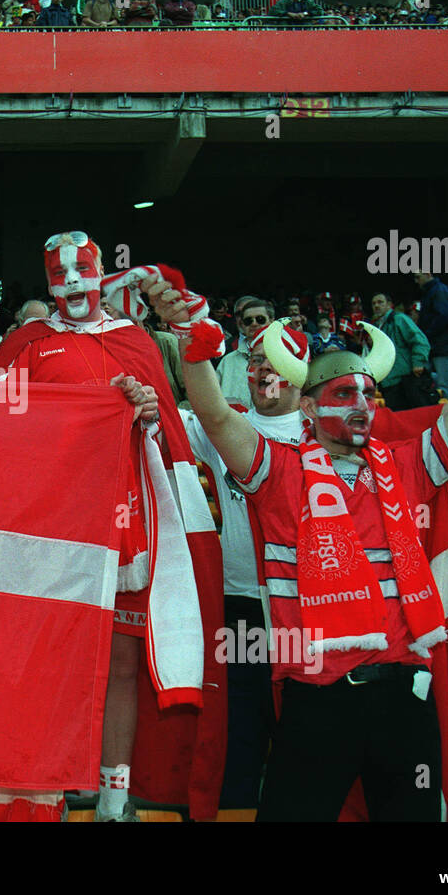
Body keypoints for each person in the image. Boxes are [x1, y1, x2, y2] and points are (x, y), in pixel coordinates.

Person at [140, 224, 448, 821]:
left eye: (367, 392)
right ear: (309, 407)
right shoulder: (277, 472)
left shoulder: (413, 465)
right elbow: (211, 413)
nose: (362, 404)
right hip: (316, 701)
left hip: (405, 698)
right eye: (343, 394)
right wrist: (191, 334)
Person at [0, 235, 223, 821]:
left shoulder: (135, 340)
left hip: (129, 528)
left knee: (121, 664)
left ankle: (114, 799)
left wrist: (146, 413)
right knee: (52, 661)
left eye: (82, 268)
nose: (72, 280)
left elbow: (169, 430)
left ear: (100, 274)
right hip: (54, 528)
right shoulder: (27, 343)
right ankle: (51, 785)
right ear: (48, 283)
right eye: (59, 272)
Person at [183, 321, 309, 809]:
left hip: (307, 609)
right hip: (240, 607)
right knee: (239, 735)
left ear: (300, 373)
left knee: (303, 738)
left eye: (275, 364)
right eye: (255, 361)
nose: (263, 372)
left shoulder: (325, 431)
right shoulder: (224, 424)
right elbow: (163, 420)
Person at [368, 291, 432, 411]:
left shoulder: (399, 319)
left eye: (380, 302)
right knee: (398, 417)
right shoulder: (376, 326)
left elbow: (419, 340)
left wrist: (418, 362)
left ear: (389, 305)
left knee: (415, 414)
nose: (376, 305)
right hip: (388, 382)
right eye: (374, 303)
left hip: (407, 377)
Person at [414, 270, 448, 400]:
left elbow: (444, 316)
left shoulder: (439, 290)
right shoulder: (432, 291)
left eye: (418, 277)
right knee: (428, 379)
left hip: (442, 344)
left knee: (447, 385)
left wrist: (427, 334)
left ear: (428, 274)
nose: (416, 281)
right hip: (436, 343)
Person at [217, 296, 272, 406]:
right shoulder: (227, 361)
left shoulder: (286, 357)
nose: (254, 323)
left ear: (271, 321)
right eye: (248, 321)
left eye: (260, 319)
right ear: (242, 325)